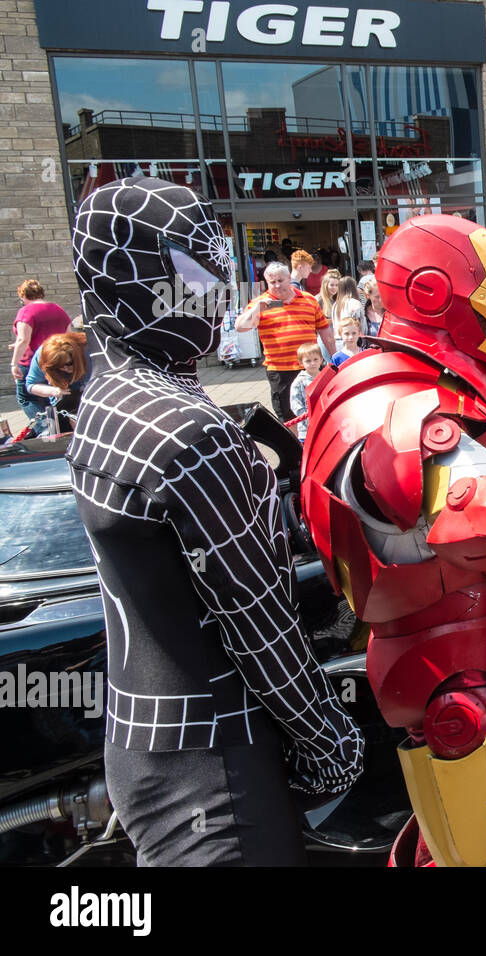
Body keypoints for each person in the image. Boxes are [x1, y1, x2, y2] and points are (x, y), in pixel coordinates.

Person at [66, 176, 362, 866]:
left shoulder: (107, 396)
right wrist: (332, 746)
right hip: (216, 764)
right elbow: (258, 621)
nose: (211, 287)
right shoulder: (187, 428)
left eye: (216, 263)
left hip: (144, 741)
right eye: (190, 266)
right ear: (129, 271)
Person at [235, 262, 337, 424]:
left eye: (280, 280)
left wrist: (335, 358)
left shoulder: (308, 299)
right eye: (272, 282)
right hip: (280, 370)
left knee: (318, 409)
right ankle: (296, 447)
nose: (276, 285)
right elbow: (240, 327)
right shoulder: (261, 303)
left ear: (289, 278)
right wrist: (257, 310)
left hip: (310, 367)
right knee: (288, 414)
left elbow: (325, 332)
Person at [10, 279, 71, 425]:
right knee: (50, 397)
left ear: (24, 295)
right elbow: (68, 335)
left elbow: (23, 340)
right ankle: (59, 428)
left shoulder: (26, 312)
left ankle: (44, 429)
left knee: (26, 398)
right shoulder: (58, 309)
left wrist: (14, 364)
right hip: (56, 361)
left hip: (31, 362)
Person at [26, 330, 91, 435]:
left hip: (89, 400)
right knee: (56, 438)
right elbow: (31, 385)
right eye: (58, 366)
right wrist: (53, 390)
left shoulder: (87, 350)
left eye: (69, 363)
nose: (65, 369)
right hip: (61, 407)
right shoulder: (41, 356)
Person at [289, 342, 325, 440]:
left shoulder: (326, 377)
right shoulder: (299, 381)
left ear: (321, 360)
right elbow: (295, 404)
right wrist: (308, 420)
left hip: (325, 425)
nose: (312, 363)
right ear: (301, 362)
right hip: (306, 429)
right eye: (308, 361)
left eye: (315, 359)